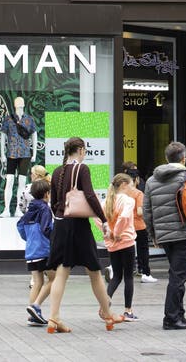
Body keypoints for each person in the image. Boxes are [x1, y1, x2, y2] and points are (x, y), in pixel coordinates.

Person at [46, 136, 123, 333]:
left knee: (62, 273)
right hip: (79, 226)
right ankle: (107, 313)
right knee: (94, 272)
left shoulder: (56, 172)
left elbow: (54, 202)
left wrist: (61, 217)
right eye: (85, 150)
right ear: (80, 150)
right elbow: (89, 195)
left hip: (61, 225)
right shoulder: (82, 169)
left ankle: (53, 318)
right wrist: (104, 220)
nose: (85, 153)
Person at [143, 141, 186, 330]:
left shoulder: (151, 180)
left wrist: (153, 234)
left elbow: (146, 211)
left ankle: (179, 314)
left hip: (164, 236)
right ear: (183, 158)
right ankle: (171, 318)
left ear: (166, 158)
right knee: (178, 277)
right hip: (185, 232)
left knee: (176, 274)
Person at [17, 178, 55, 326]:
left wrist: (30, 240)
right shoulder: (44, 208)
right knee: (54, 279)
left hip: (31, 251)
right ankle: (35, 307)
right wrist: (54, 240)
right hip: (44, 251)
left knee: (37, 282)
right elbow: (46, 228)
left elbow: (20, 226)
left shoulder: (30, 209)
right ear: (47, 194)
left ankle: (32, 315)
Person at [102, 172, 138, 321]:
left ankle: (104, 306)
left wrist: (108, 233)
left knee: (116, 276)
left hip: (112, 245)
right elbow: (124, 217)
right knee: (129, 276)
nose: (132, 188)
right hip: (126, 241)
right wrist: (117, 232)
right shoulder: (128, 201)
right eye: (130, 185)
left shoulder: (105, 202)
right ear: (123, 184)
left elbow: (98, 219)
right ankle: (128, 311)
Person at [0, 97, 37, 217]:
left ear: (24, 104)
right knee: (9, 180)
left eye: (21, 102)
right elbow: (3, 137)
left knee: (22, 181)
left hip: (25, 154)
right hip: (11, 154)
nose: (19, 104)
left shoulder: (29, 119)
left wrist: (34, 154)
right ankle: (6, 209)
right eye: (17, 102)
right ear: (15, 104)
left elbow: (34, 136)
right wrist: (2, 154)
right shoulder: (8, 119)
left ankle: (18, 209)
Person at [124, 167, 156, 283]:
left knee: (128, 249)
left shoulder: (123, 193)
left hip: (126, 226)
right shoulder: (138, 193)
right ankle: (145, 273)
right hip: (139, 226)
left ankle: (127, 271)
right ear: (136, 179)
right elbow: (139, 212)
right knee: (143, 250)